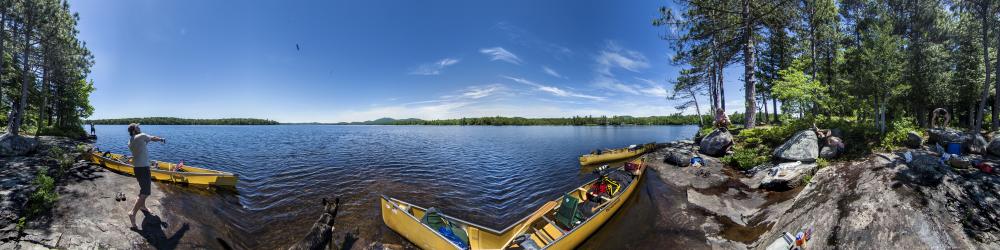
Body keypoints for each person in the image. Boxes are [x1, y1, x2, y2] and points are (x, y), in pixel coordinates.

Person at [126, 123, 165, 229]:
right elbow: (153, 138)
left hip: (137, 168)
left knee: (144, 189)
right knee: (146, 191)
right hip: (143, 168)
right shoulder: (141, 136)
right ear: (134, 130)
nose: (140, 128)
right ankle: (132, 213)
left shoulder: (130, 141)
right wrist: (161, 139)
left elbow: (141, 146)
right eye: (137, 127)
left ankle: (142, 206)